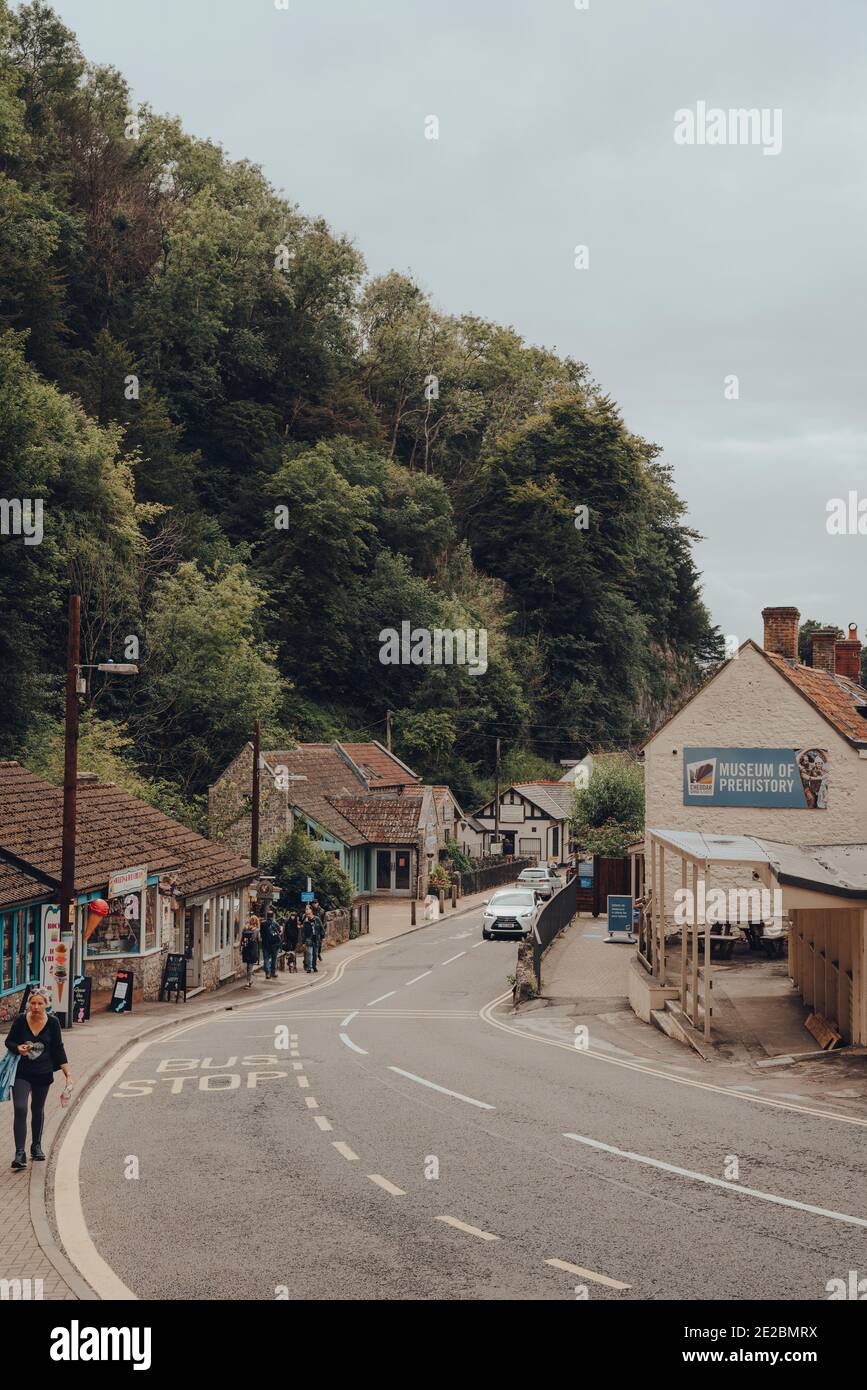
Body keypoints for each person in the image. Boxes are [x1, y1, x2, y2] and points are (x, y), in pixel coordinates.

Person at [5, 987, 71, 1170]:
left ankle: (36, 1146)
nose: (35, 1006)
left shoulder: (53, 1023)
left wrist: (68, 1074)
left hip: (43, 1073)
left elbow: (58, 1048)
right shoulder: (20, 1020)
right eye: (33, 1003)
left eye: (40, 1003)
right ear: (29, 1004)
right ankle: (20, 1153)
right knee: (20, 1108)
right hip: (21, 1073)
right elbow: (8, 1041)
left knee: (37, 1109)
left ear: (46, 1005)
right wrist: (17, 1048)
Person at [240, 919, 260, 988]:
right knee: (250, 966)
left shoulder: (245, 929)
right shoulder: (256, 930)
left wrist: (240, 948)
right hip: (253, 949)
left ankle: (250, 980)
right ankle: (248, 982)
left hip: (246, 949)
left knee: (248, 965)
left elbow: (241, 939)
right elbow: (259, 939)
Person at [260, 913, 281, 979]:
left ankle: (267, 973)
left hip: (265, 944)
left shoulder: (263, 924)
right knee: (274, 959)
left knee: (266, 958)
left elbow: (261, 933)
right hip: (274, 944)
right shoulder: (276, 924)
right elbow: (279, 932)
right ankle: (273, 972)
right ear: (273, 916)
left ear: (267, 916)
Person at [301, 906, 319, 974]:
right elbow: (303, 932)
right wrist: (303, 942)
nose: (307, 915)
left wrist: (321, 936)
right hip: (308, 939)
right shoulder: (305, 921)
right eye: (306, 913)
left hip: (316, 938)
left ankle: (314, 967)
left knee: (315, 954)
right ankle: (309, 968)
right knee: (309, 954)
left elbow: (321, 927)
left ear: (311, 911)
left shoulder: (316, 919)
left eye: (308, 910)